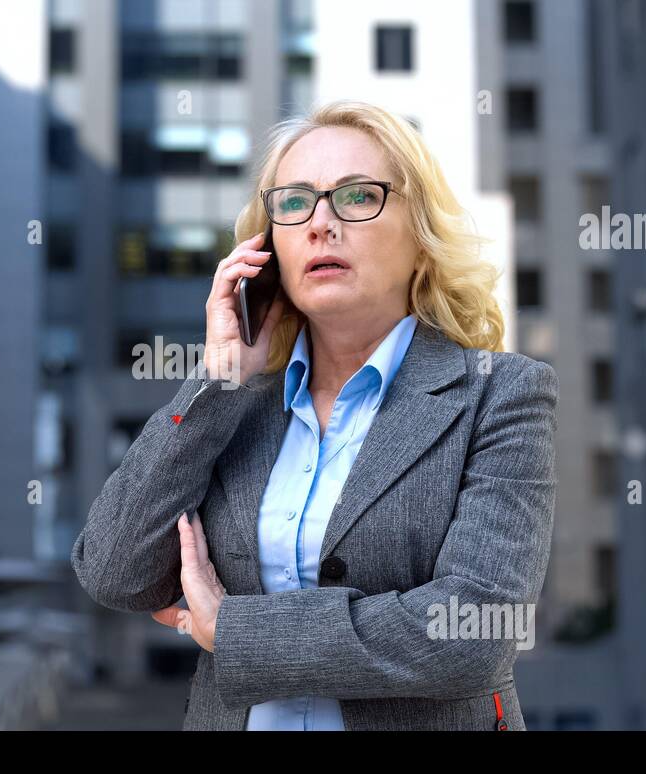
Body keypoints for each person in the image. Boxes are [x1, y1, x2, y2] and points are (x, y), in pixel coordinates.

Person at [72, 100, 558, 730]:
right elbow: (114, 572)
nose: (320, 224)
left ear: (421, 233)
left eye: (357, 196)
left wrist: (236, 631)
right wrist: (219, 378)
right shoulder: (238, 403)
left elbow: (475, 629)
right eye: (295, 201)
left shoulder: (502, 395)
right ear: (267, 245)